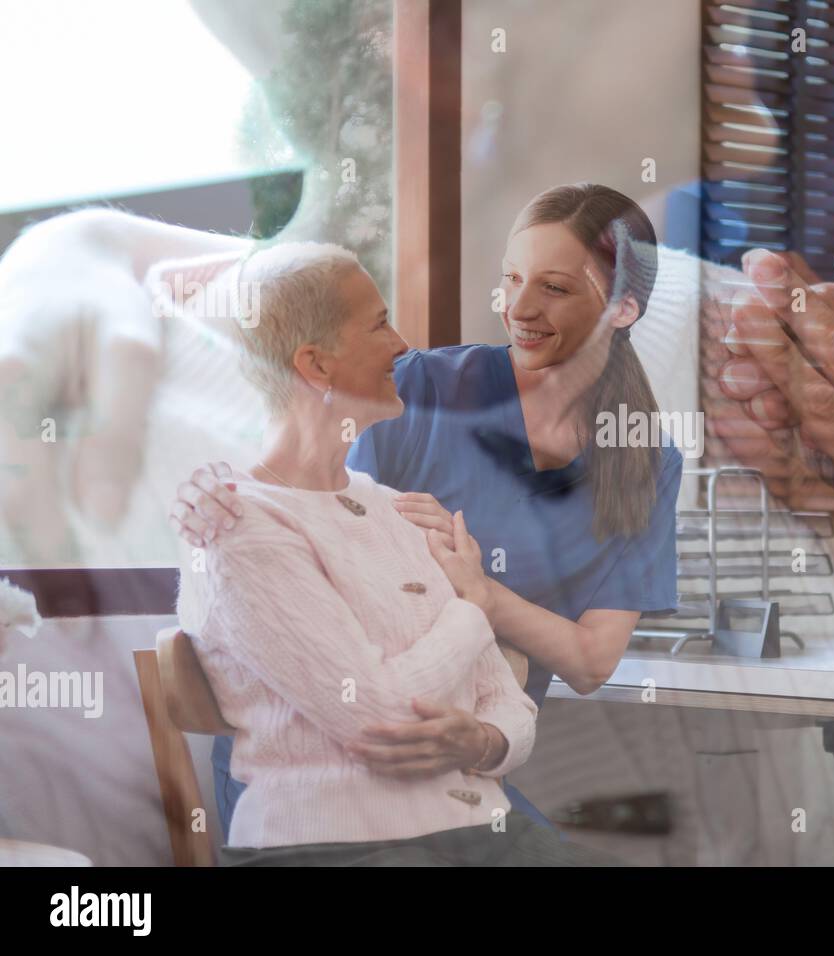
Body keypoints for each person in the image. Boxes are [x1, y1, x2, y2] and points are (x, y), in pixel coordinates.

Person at [171, 184, 683, 837]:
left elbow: (589, 660)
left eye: (555, 288)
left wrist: (479, 596)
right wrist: (212, 487)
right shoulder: (418, 391)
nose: (519, 307)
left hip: (465, 762)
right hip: (330, 778)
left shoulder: (645, 457)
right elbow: (335, 593)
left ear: (622, 310)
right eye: (512, 280)